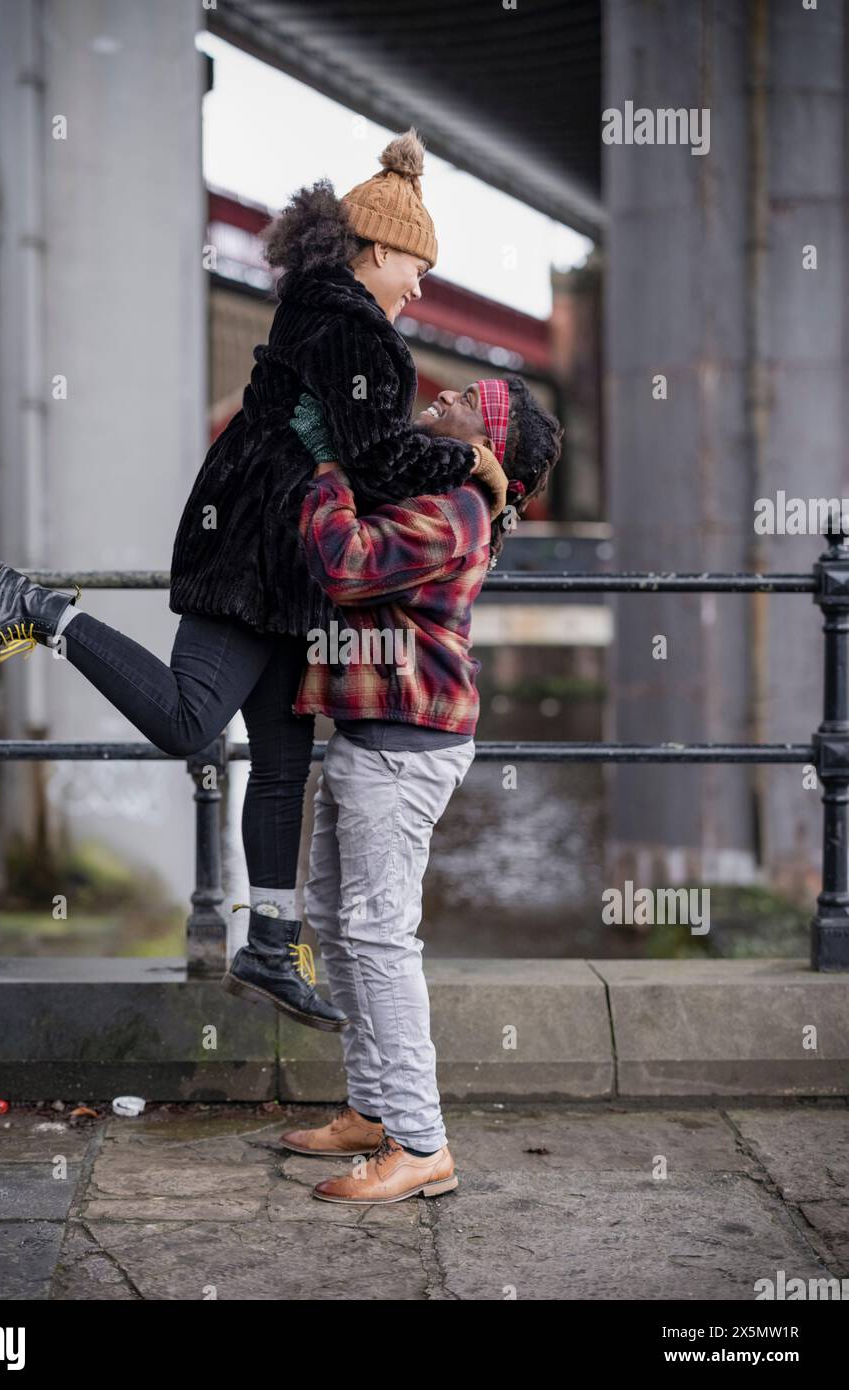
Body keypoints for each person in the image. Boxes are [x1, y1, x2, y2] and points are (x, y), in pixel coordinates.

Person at [0, 131, 480, 1032]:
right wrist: (470, 463)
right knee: (190, 722)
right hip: (253, 553)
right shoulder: (353, 327)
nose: (418, 289)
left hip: (281, 561)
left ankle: (269, 945)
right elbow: (380, 457)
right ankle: (35, 607)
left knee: (280, 766)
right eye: (416, 268)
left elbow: (357, 455)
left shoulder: (321, 311)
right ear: (381, 252)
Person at [279, 375, 563, 1204]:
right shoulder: (436, 490)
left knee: (376, 933)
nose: (441, 394)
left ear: (488, 443)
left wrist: (327, 460)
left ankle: (419, 1142)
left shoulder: (456, 510)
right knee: (336, 916)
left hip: (402, 744)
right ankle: (371, 1109)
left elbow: (343, 562)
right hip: (373, 732)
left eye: (465, 401)